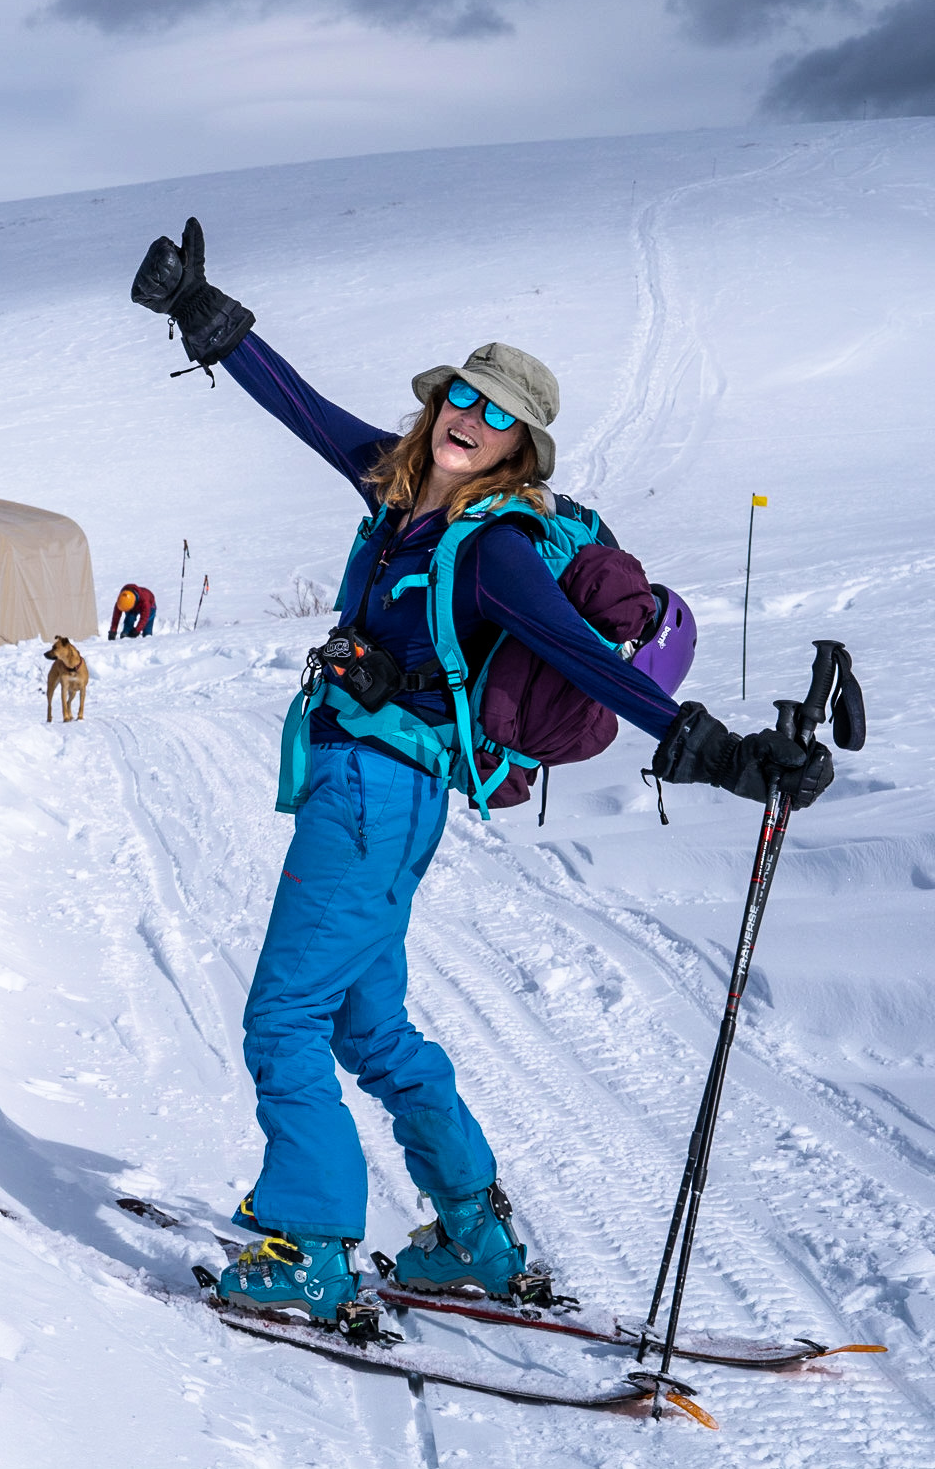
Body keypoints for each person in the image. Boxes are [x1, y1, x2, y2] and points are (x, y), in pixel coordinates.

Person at [129, 216, 836, 1326]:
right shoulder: (396, 483)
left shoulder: (493, 546)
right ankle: (473, 1234)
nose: (473, 418)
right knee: (368, 1030)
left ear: (521, 452)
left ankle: (308, 1246)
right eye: (464, 396)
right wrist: (200, 318)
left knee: (282, 1020)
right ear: (439, 404)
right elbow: (302, 410)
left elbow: (580, 660)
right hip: (367, 790)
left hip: (374, 794)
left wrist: (721, 754)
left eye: (500, 416)